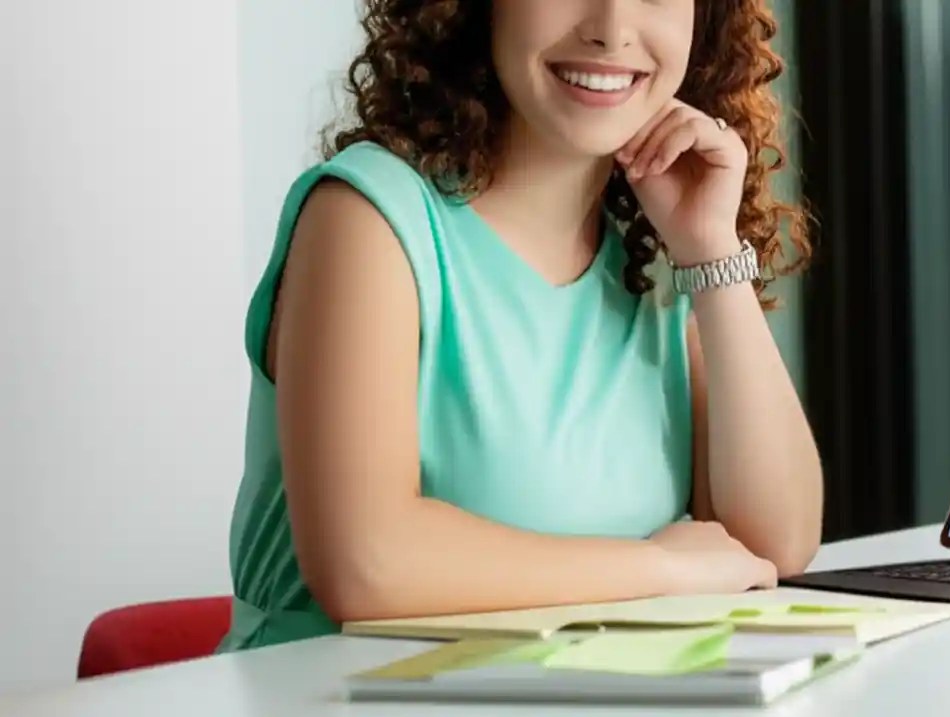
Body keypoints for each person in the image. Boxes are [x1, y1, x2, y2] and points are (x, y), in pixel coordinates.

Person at [217, 0, 823, 652]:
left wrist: (710, 251)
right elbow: (365, 564)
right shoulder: (365, 218)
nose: (611, 28)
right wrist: (663, 569)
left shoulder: (650, 254)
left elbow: (773, 544)